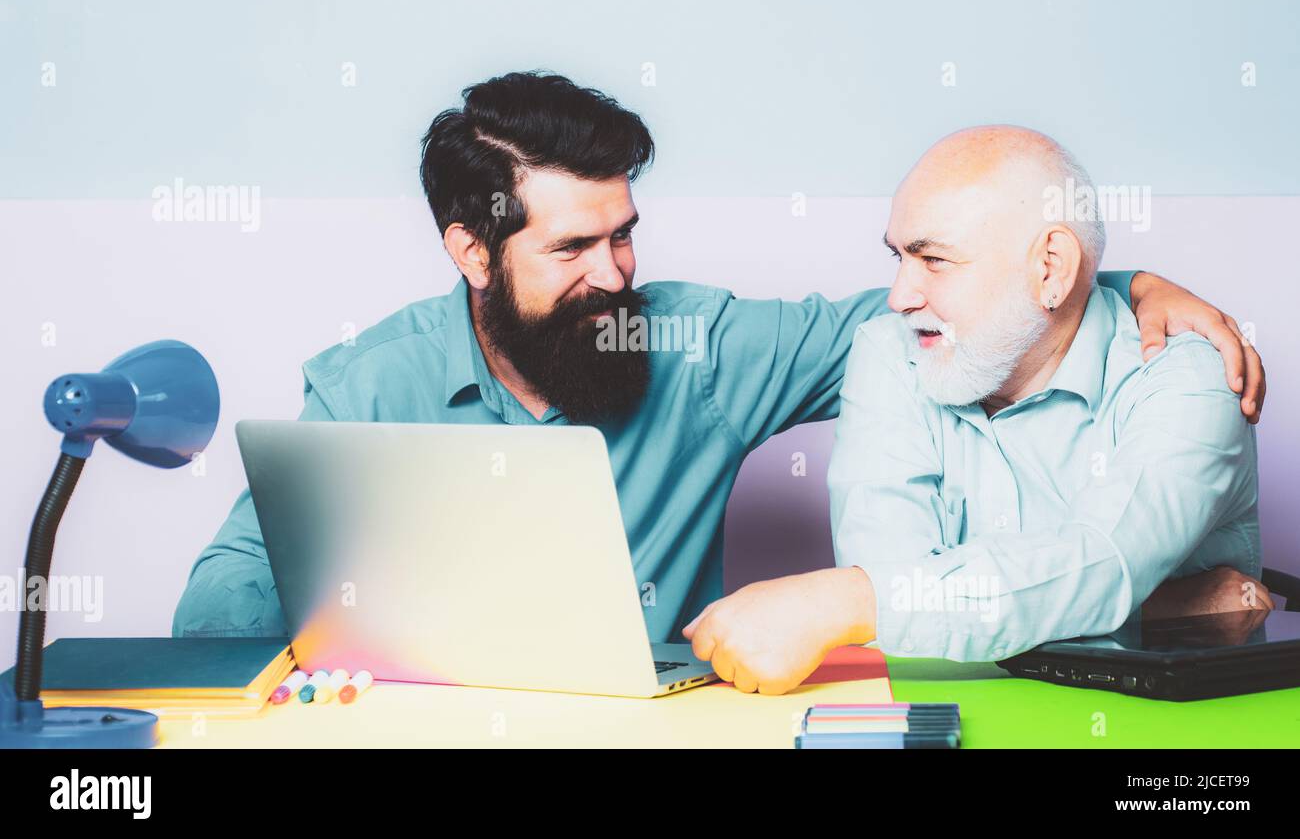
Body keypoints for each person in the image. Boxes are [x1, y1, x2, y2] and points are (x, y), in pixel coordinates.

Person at [174, 76, 1265, 648]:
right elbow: (223, 594)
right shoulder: (369, 385)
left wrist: (1122, 285)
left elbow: (958, 311)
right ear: (472, 252)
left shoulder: (690, 345)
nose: (615, 274)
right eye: (571, 249)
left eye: (624, 234)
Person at [683, 125, 1267, 694]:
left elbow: (1102, 561)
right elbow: (900, 609)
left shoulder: (1192, 376)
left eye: (934, 260)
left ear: (1050, 268)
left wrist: (845, 602)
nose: (899, 296)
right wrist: (1151, 605)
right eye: (898, 256)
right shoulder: (890, 351)